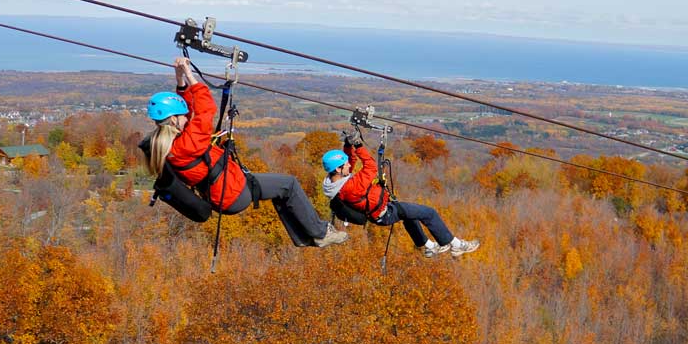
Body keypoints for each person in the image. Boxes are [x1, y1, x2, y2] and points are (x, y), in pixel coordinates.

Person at [140, 57, 347, 248]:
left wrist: (180, 81)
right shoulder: (188, 143)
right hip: (234, 192)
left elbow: (190, 110)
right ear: (173, 120)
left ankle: (304, 237)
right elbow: (205, 108)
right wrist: (189, 75)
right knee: (289, 184)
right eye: (182, 116)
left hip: (225, 189)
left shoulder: (166, 144)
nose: (187, 117)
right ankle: (320, 233)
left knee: (282, 191)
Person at [321, 131, 479, 257]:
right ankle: (456, 245)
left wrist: (348, 146)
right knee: (429, 213)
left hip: (379, 211)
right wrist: (358, 145)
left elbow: (350, 161)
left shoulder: (333, 182)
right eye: (345, 165)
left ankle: (429, 247)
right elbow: (370, 167)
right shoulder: (350, 187)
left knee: (410, 215)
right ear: (338, 169)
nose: (349, 165)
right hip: (385, 212)